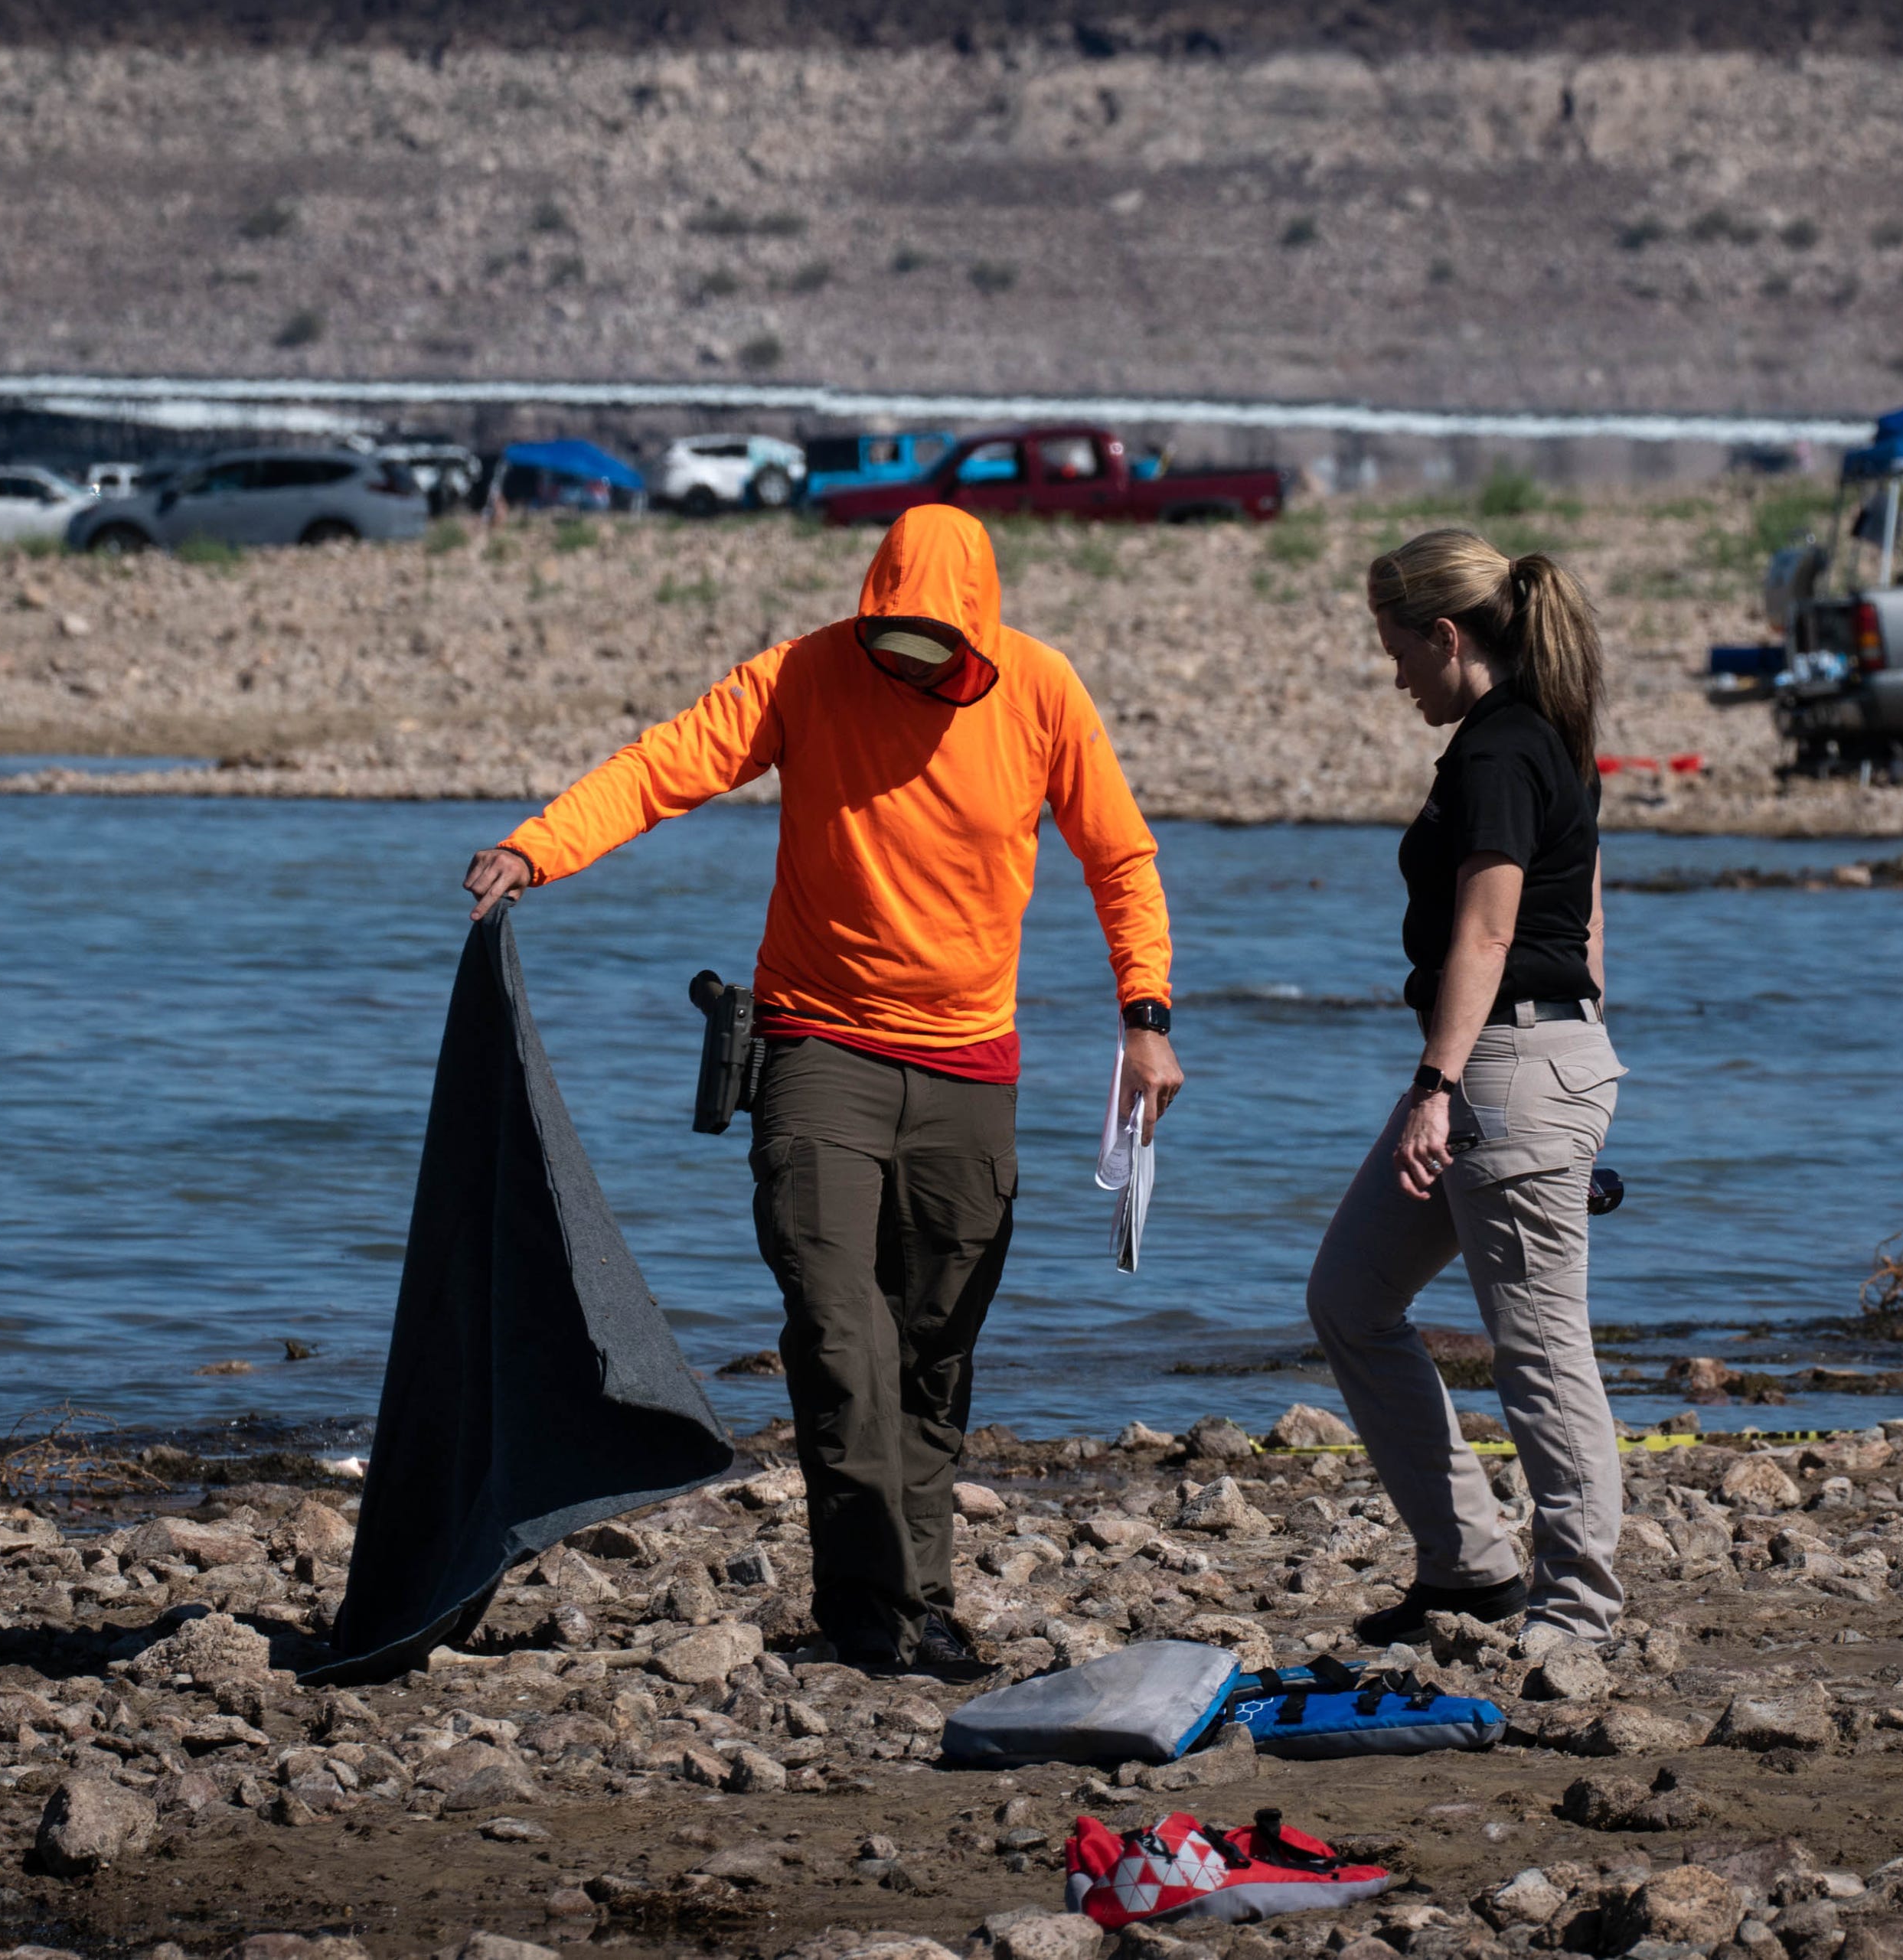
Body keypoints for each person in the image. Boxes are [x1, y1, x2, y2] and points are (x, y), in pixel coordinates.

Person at [460, 504, 1183, 1676]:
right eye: (887, 633)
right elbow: (664, 764)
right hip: (817, 1055)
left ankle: (923, 1600)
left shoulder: (1043, 691)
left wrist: (1144, 1019)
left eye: (932, 643)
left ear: (977, 633)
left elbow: (1122, 859)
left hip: (971, 1071)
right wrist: (541, 846)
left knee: (934, 1355)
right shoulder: (802, 673)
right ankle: (867, 1606)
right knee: (840, 1334)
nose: (904, 658)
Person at [1304, 526, 1628, 1645]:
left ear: (1448, 636)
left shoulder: (1501, 752)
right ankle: (1469, 1568)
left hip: (1499, 1069)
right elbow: (1585, 916)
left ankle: (1578, 1607)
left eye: (1397, 649)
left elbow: (1487, 937)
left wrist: (1443, 1086)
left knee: (1540, 1350)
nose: (1394, 674)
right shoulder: (1536, 740)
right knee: (1350, 1297)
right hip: (1517, 1067)